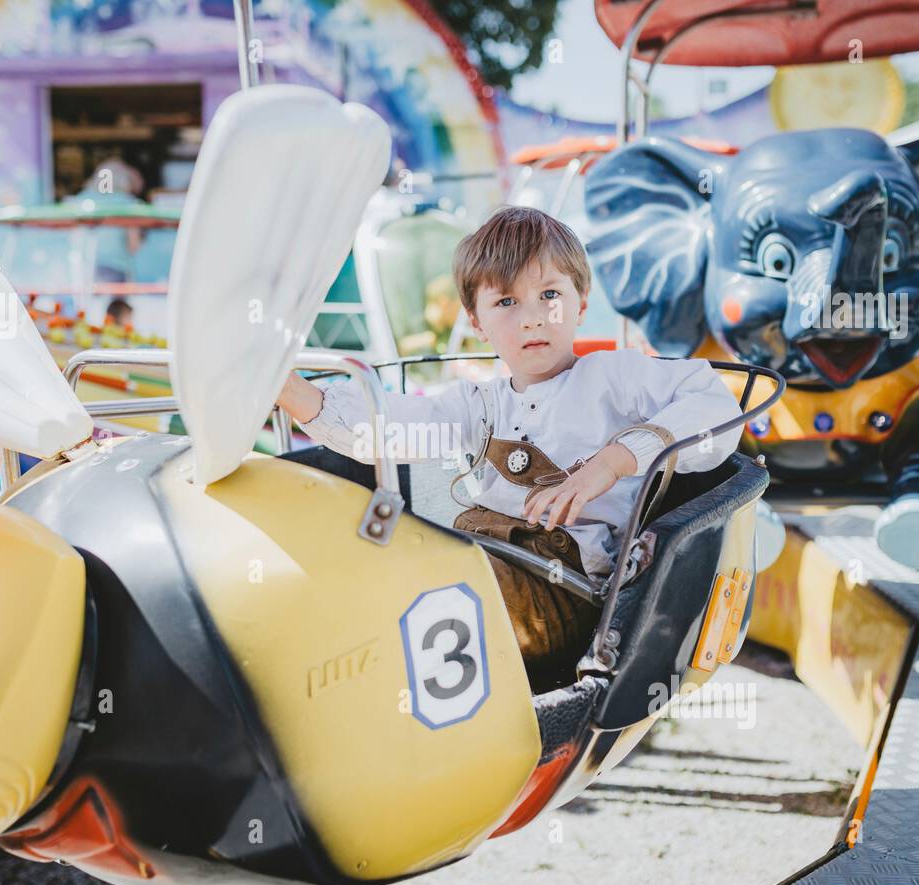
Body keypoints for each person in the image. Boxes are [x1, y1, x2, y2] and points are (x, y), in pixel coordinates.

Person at [276, 206, 741, 687]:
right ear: (476, 321)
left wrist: (615, 460)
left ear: (581, 302)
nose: (533, 318)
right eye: (506, 303)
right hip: (481, 560)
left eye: (550, 296)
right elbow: (388, 427)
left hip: (560, 592)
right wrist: (288, 389)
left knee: (426, 589)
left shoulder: (612, 379)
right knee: (370, 568)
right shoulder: (481, 404)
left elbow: (715, 405)